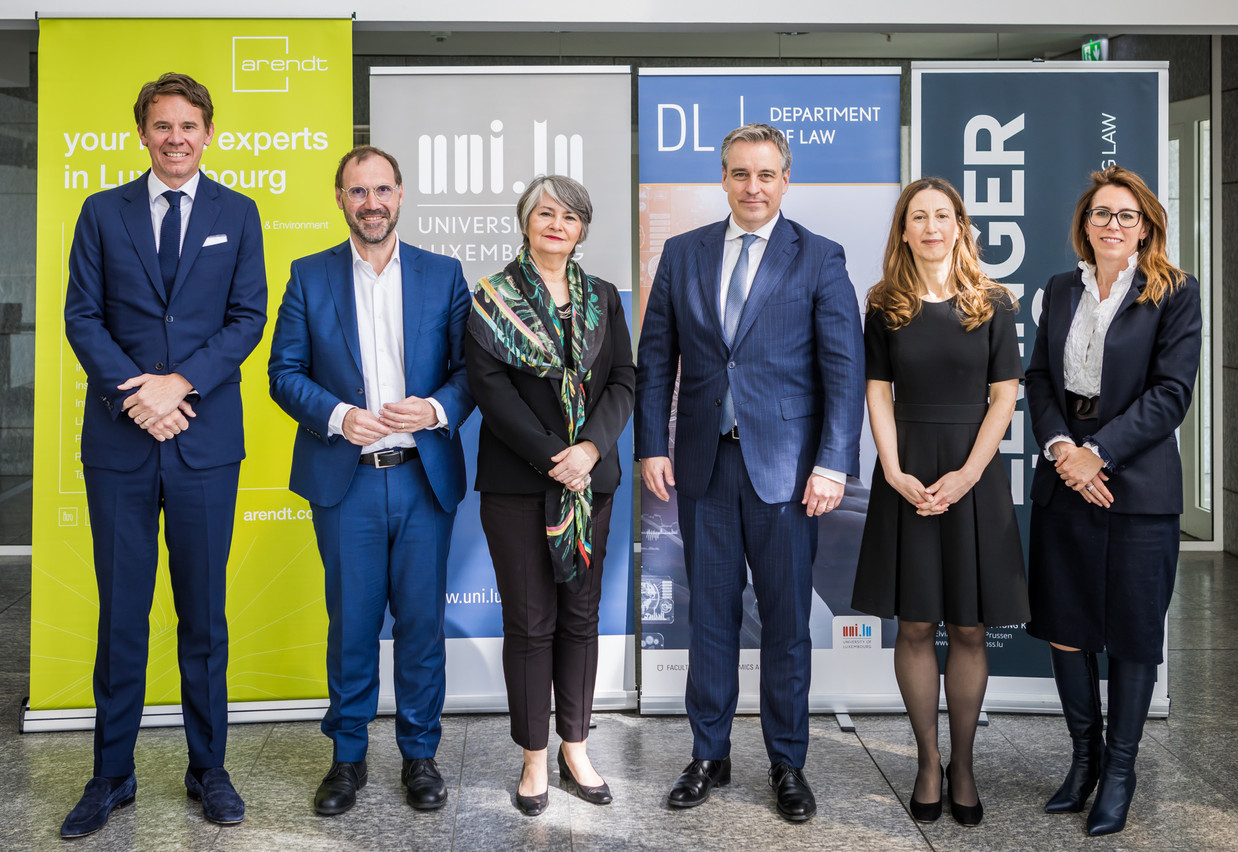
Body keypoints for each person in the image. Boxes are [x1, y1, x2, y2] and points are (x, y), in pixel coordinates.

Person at [635, 123, 864, 823]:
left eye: (765, 174)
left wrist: (832, 463)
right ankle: (709, 753)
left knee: (788, 622)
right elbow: (655, 362)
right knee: (709, 617)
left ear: (786, 180)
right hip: (704, 468)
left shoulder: (819, 258)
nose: (753, 186)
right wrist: (651, 445)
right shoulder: (682, 254)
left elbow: (844, 372)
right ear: (724, 178)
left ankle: (787, 761)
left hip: (789, 476)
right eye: (740, 173)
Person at [60, 72, 266, 837]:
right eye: (161, 125)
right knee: (121, 616)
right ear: (142, 133)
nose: (175, 137)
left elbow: (248, 318)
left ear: (208, 133)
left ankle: (208, 769)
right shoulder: (101, 213)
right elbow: (83, 316)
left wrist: (180, 385)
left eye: (188, 125)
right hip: (120, 442)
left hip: (205, 443)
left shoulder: (236, 213)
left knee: (203, 617)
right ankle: (111, 775)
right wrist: (134, 395)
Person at [267, 145, 474, 816]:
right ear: (340, 199)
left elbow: (472, 371)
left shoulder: (443, 275)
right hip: (346, 481)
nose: (371, 202)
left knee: (420, 627)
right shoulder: (307, 276)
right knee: (352, 626)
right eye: (358, 192)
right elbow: (284, 372)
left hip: (422, 480)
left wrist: (438, 407)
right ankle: (347, 760)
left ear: (401, 195)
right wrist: (337, 415)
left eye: (382, 189)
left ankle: (420, 757)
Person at [1026, 165, 1202, 836]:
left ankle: (1120, 772)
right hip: (1064, 475)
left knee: (1131, 630)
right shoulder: (1059, 289)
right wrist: (1063, 451)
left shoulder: (1175, 292)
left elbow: (1171, 393)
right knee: (1067, 628)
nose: (1113, 226)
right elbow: (1039, 379)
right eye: (1102, 214)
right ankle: (1084, 761)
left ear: (1147, 225)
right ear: (1085, 223)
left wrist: (1099, 453)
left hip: (1138, 485)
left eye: (1127, 215)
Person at [850, 177, 1028, 828]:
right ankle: (928, 760)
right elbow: (877, 392)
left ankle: (964, 763)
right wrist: (892, 470)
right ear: (903, 230)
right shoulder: (884, 303)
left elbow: (1005, 397)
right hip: (909, 469)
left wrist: (968, 475)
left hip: (972, 474)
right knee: (917, 624)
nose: (930, 226)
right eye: (918, 217)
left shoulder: (993, 302)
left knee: (972, 626)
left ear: (960, 226)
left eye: (942, 216)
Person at [466, 175, 634, 816]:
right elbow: (489, 390)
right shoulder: (492, 299)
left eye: (570, 215)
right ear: (525, 221)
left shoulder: (604, 298)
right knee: (530, 623)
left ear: (583, 229)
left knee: (579, 617)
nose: (556, 223)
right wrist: (551, 458)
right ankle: (534, 757)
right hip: (517, 483)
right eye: (545, 212)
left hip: (592, 483)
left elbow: (624, 377)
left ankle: (576, 746)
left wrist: (589, 450)